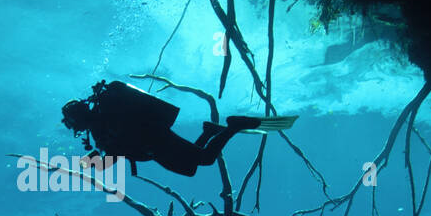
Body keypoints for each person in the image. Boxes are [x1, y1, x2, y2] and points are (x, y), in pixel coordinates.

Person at [61, 80, 298, 176]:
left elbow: (113, 155)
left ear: (77, 118)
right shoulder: (101, 119)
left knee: (204, 159)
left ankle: (233, 126)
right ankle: (207, 131)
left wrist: (90, 163)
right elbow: (116, 150)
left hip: (155, 142)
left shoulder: (102, 123)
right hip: (153, 146)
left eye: (71, 122)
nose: (73, 127)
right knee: (190, 169)